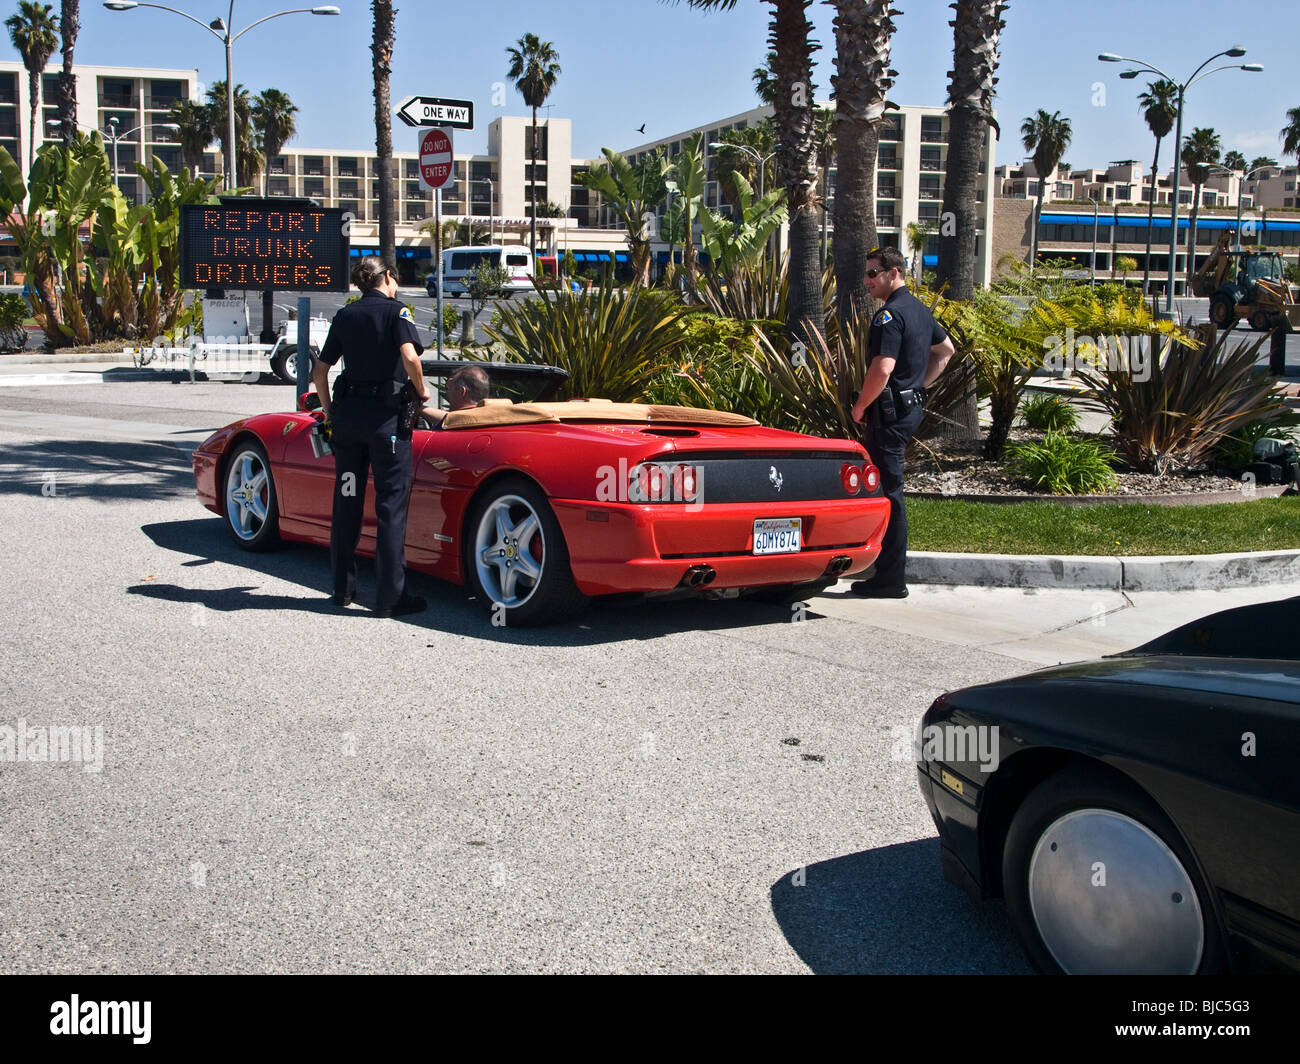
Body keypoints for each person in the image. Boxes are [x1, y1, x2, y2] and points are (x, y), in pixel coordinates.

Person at [312, 257, 430, 618]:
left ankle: (341, 590)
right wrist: (421, 391)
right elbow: (410, 356)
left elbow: (320, 370)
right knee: (389, 509)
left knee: (346, 502)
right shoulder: (398, 313)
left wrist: (330, 411)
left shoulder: (346, 316)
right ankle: (388, 598)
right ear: (389, 278)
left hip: (348, 426)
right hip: (386, 427)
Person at [849, 246, 955, 598]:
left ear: (893, 272)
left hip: (890, 416)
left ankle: (891, 579)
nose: (866, 280)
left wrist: (861, 406)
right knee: (888, 489)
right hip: (908, 411)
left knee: (890, 493)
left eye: (872, 273)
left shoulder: (890, 316)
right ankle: (884, 573)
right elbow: (946, 351)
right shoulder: (920, 310)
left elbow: (883, 368)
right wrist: (916, 386)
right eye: (866, 273)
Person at [420, 365, 490, 426]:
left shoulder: (460, 423)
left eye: (450, 388)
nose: (448, 393)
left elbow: (453, 419)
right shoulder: (492, 420)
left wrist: (418, 408)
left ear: (461, 391)